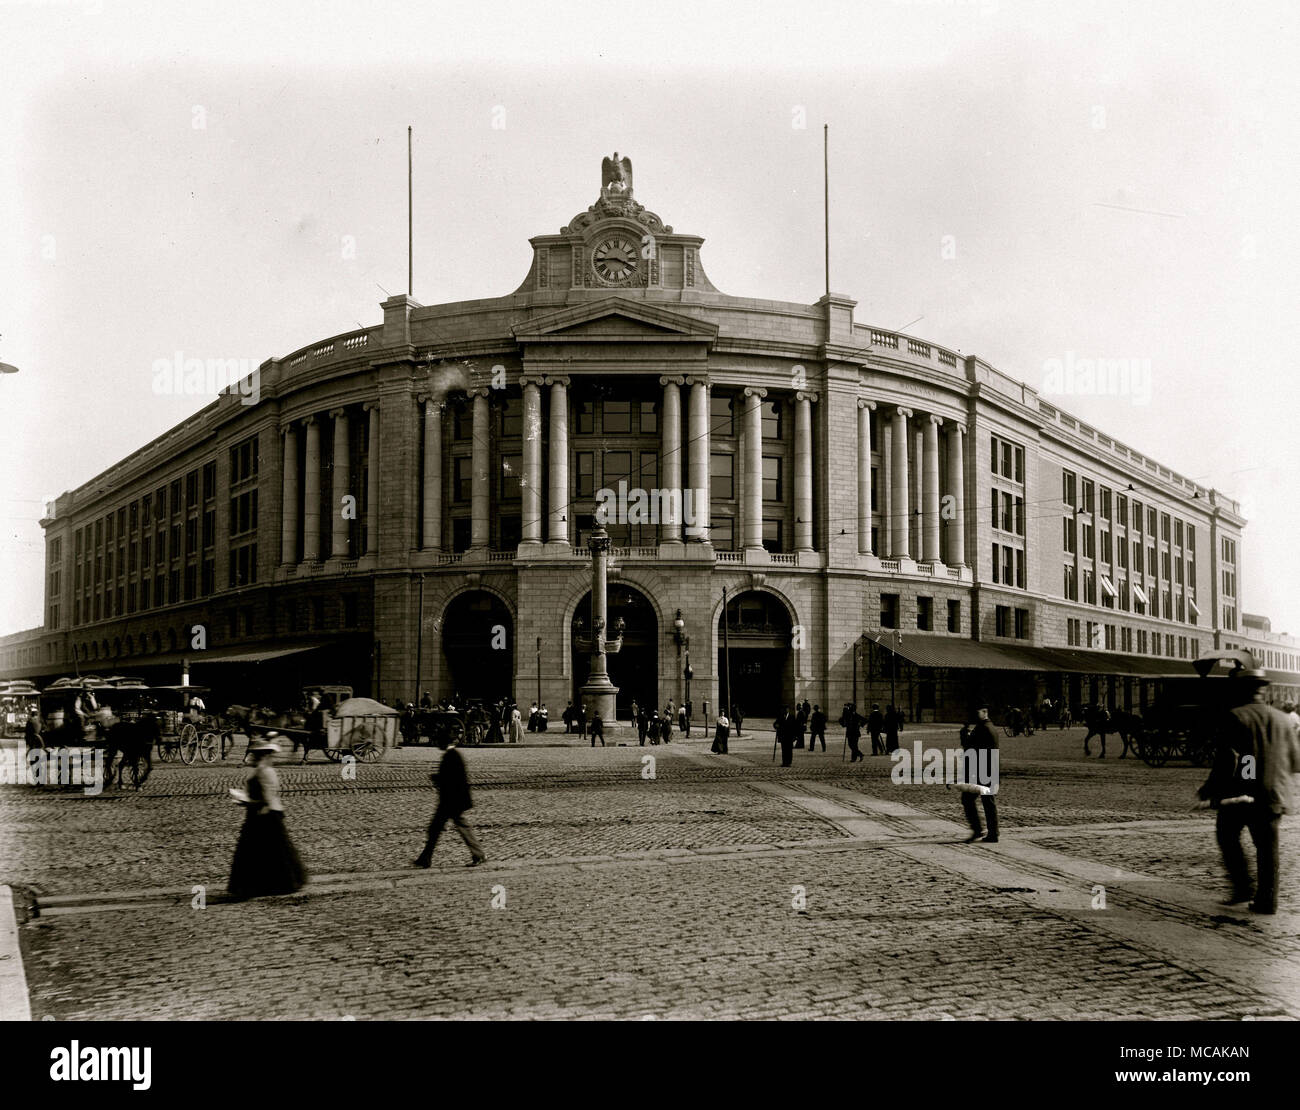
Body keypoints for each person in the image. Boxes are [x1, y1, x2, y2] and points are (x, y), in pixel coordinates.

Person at [1198, 670, 1300, 914]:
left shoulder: (1237, 717)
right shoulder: (1283, 719)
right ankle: (1268, 901)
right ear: (1262, 691)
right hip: (1275, 793)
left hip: (1245, 796)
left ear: (1240, 691)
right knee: (1268, 847)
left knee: (1227, 835)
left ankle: (1243, 887)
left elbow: (1232, 760)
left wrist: (1211, 789)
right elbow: (1296, 762)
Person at [228, 736, 307, 899]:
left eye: (256, 755)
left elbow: (267, 798)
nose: (253, 758)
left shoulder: (264, 771)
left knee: (265, 853)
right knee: (268, 853)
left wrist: (248, 802)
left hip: (265, 816)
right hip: (261, 813)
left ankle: (270, 885)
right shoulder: (261, 770)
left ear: (263, 755)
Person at [414, 726, 486, 869]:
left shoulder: (451, 756)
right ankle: (425, 858)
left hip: (451, 801)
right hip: (451, 800)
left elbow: (451, 780)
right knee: (437, 828)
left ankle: (478, 854)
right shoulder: (453, 755)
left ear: (443, 743)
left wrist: (437, 778)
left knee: (439, 829)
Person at [960, 707, 1000, 844]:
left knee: (968, 799)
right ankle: (993, 833)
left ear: (984, 712)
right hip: (990, 769)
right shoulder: (991, 727)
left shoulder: (982, 729)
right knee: (988, 802)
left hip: (982, 770)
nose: (974, 715)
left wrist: (964, 735)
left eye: (977, 712)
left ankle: (979, 830)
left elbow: (969, 748)